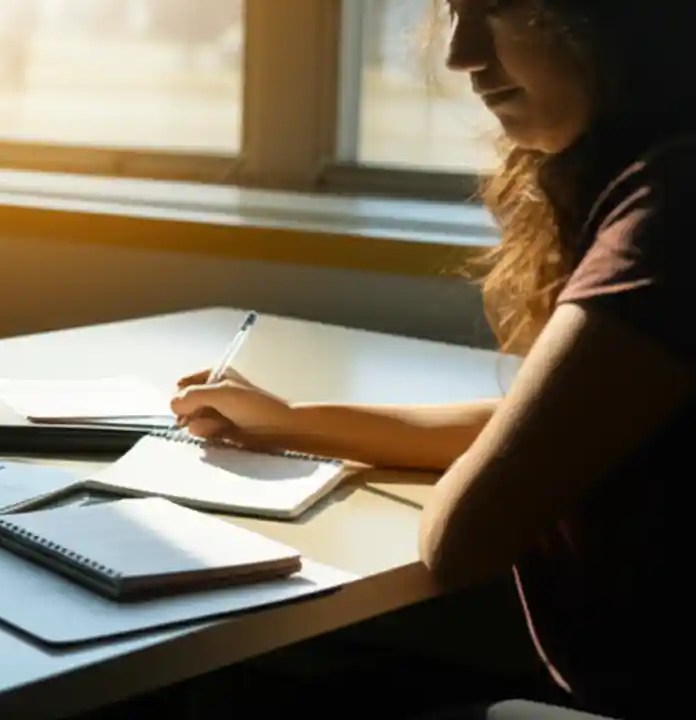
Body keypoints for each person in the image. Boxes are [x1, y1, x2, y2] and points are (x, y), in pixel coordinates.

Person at [171, 1, 692, 718]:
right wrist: (288, 423)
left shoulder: (674, 213)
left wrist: (483, 480)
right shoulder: (650, 179)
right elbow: (540, 422)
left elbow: (462, 537)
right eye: (452, 9)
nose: (460, 54)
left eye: (500, 8)